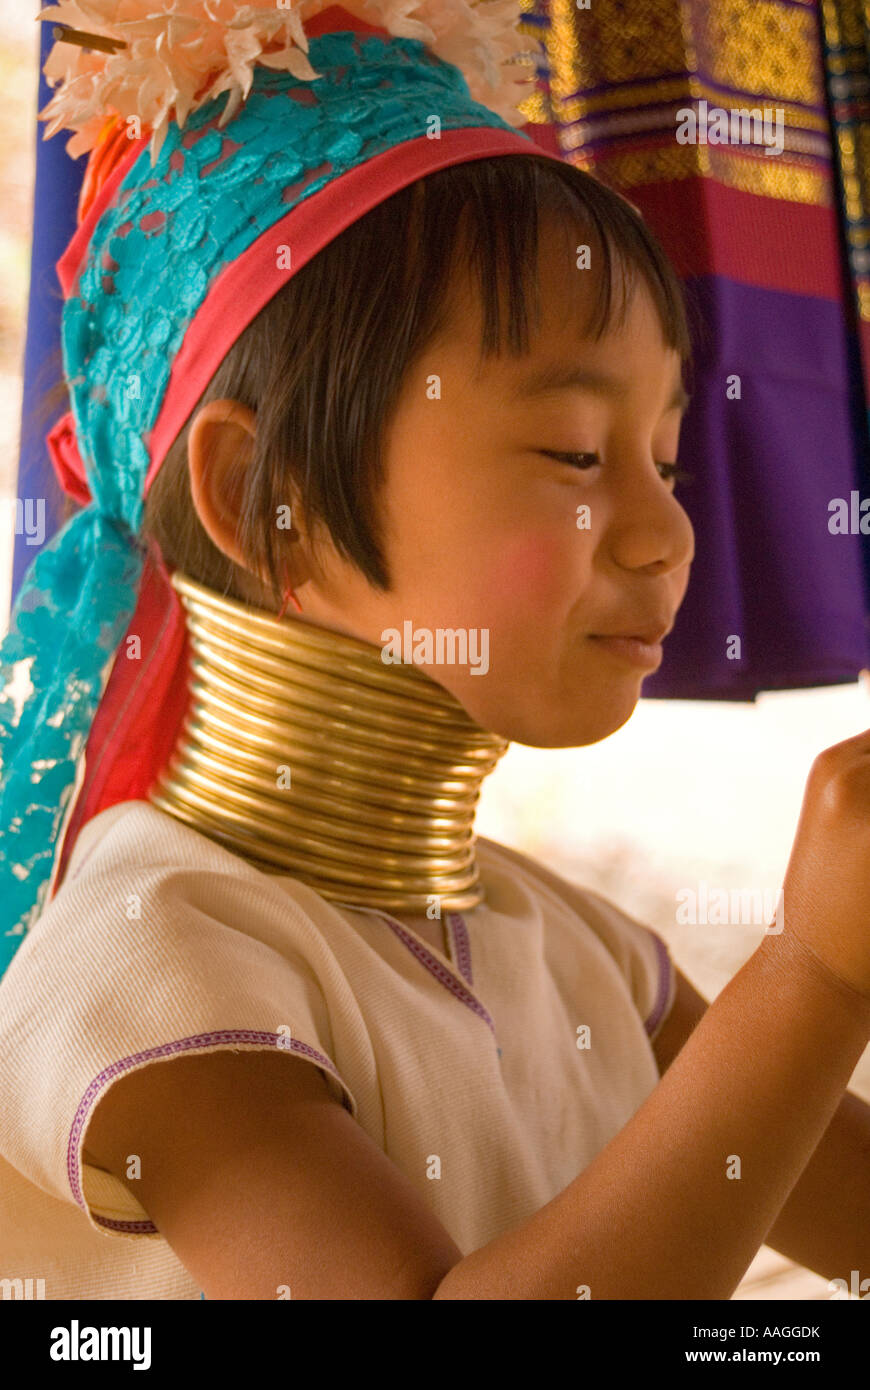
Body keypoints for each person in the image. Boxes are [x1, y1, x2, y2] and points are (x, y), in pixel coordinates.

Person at [1, 2, 869, 1302]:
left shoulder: (568, 949)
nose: (665, 532)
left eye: (665, 458)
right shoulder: (148, 955)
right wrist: (807, 977)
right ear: (261, 494)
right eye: (575, 454)